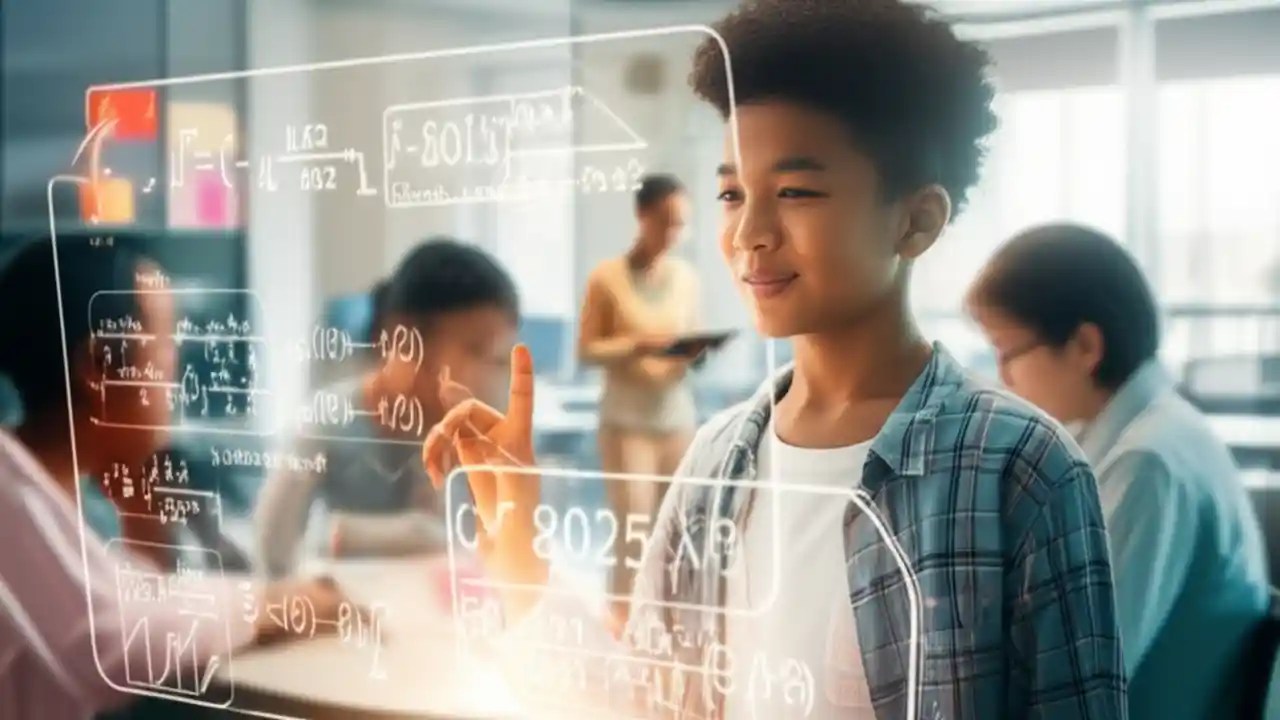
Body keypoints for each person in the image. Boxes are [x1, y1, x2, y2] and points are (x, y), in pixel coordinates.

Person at [423, 2, 1127, 718]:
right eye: (732, 193)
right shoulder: (715, 462)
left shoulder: (1022, 469)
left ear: (915, 219)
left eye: (795, 192)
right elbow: (644, 703)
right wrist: (515, 541)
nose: (749, 233)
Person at [0, 236, 344, 719]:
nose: (175, 380)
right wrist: (271, 608)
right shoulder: (9, 491)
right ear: (100, 366)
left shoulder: (44, 489)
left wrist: (274, 598)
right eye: (165, 351)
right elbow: (109, 646)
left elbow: (135, 592)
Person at [967, 223, 1269, 720]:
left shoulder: (1147, 464)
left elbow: (1078, 682)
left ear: (1085, 346)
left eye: (1007, 353)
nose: (1002, 379)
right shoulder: (1143, 432)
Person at [255, 237, 519, 577]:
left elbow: (492, 558)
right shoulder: (330, 420)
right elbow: (273, 550)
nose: (492, 379)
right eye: (477, 352)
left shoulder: (468, 434)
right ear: (404, 340)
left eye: (501, 360)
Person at [577, 173, 703, 608]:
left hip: (676, 418)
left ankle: (667, 625)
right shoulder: (607, 278)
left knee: (675, 532)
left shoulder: (686, 277)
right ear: (642, 216)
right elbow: (586, 350)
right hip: (628, 422)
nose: (673, 232)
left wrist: (694, 351)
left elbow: (686, 335)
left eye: (681, 223)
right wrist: (637, 345)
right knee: (634, 532)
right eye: (666, 221)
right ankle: (622, 624)